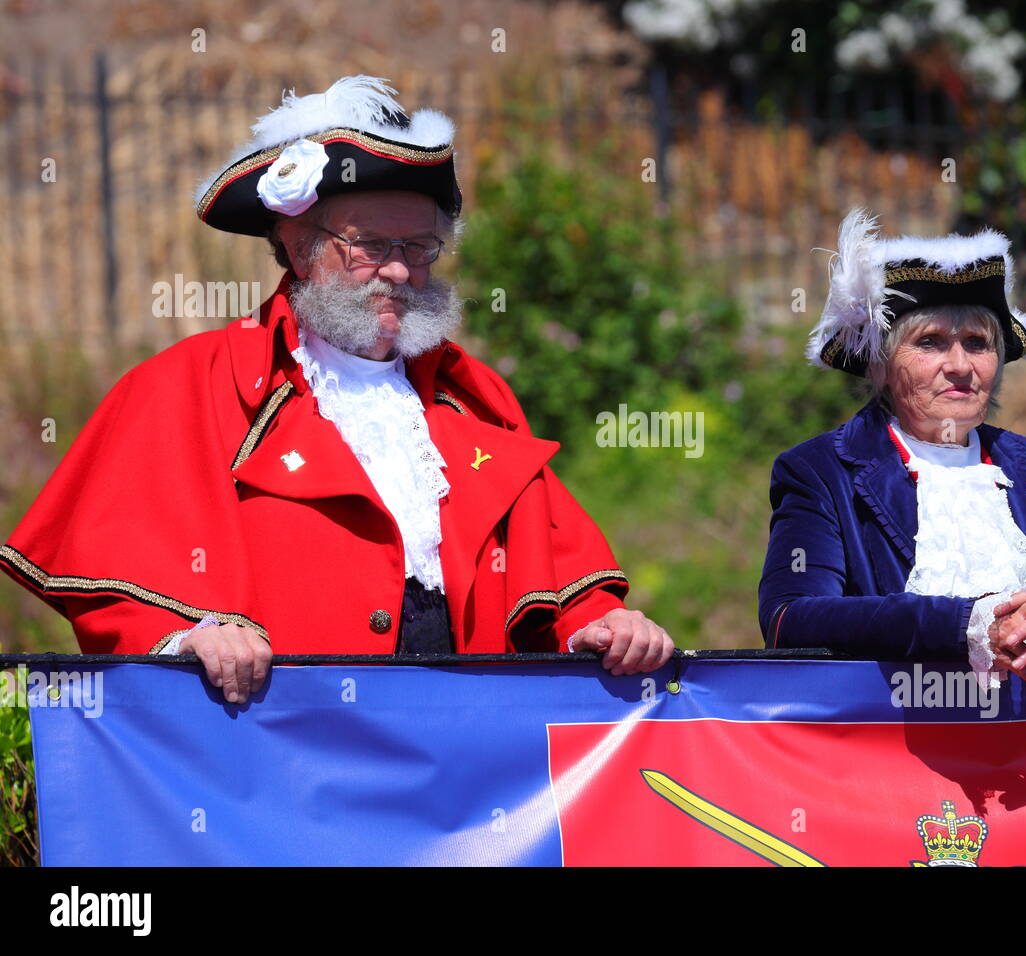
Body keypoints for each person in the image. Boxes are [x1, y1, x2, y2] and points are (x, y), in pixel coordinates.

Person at [0, 76, 673, 703]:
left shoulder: (475, 398)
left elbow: (555, 577)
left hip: (464, 767)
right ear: (298, 248)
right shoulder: (188, 387)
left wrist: (600, 624)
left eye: (420, 248)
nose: (402, 272)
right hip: (279, 762)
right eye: (371, 247)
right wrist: (191, 635)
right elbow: (123, 582)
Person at [758, 209, 1026, 685]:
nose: (960, 365)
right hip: (888, 746)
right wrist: (970, 627)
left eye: (977, 342)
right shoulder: (821, 470)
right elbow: (791, 619)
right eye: (930, 342)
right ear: (882, 363)